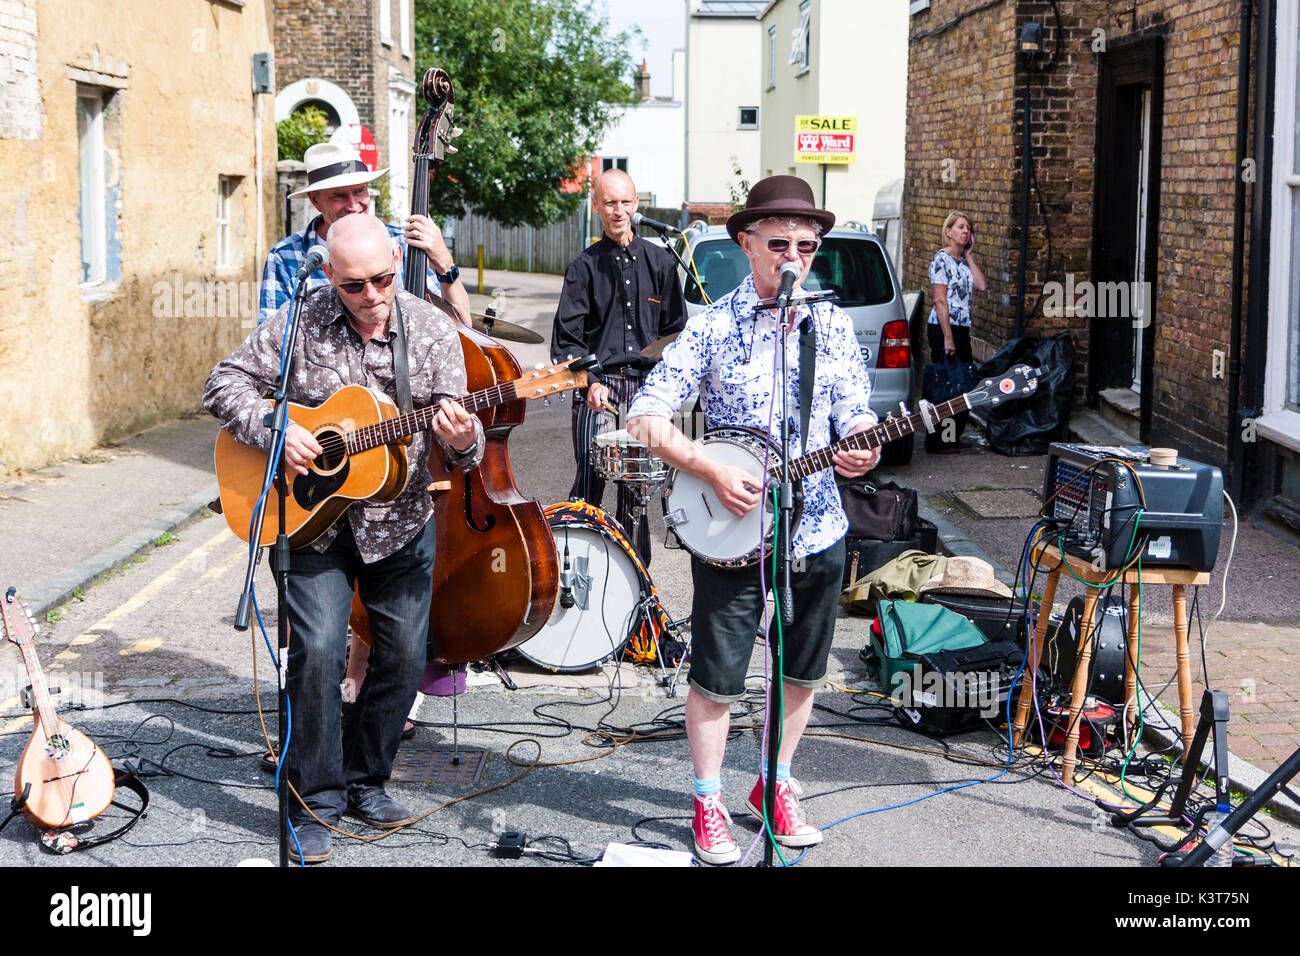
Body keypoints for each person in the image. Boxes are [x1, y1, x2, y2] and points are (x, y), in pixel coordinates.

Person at [203, 215, 484, 864]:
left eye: (383, 278)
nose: (372, 295)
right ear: (330, 275)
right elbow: (224, 383)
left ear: (395, 260)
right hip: (310, 525)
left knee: (403, 659)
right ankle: (315, 801)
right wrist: (274, 425)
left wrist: (464, 438)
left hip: (399, 523)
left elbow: (463, 454)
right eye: (354, 285)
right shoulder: (301, 319)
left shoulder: (434, 330)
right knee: (321, 655)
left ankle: (366, 778)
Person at [626, 175, 879, 864]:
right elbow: (644, 416)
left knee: (802, 669)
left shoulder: (830, 325)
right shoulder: (711, 325)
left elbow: (854, 408)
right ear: (746, 245)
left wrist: (862, 440)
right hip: (733, 534)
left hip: (818, 523)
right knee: (717, 674)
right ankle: (709, 797)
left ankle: (775, 783)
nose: (793, 258)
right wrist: (708, 468)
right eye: (778, 244)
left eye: (806, 245)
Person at [550, 169, 687, 564]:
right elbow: (566, 342)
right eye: (610, 202)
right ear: (596, 207)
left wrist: (665, 387)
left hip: (648, 391)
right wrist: (589, 382)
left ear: (636, 204)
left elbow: (677, 334)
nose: (618, 210)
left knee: (635, 491)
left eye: (625, 202)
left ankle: (636, 577)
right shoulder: (583, 268)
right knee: (590, 483)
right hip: (600, 388)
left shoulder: (661, 263)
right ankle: (576, 570)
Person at [259, 141, 471, 328]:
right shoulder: (286, 256)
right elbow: (273, 344)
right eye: (339, 196)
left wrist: (443, 259)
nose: (353, 205)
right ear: (315, 201)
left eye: (360, 191)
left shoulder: (402, 242)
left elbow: (461, 325)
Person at [925, 210, 987, 452]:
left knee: (963, 384)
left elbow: (980, 285)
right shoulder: (941, 259)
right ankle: (938, 441)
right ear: (948, 231)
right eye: (960, 227)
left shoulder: (962, 262)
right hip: (943, 328)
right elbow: (940, 301)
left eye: (968, 228)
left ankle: (952, 438)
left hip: (961, 328)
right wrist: (948, 338)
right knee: (946, 386)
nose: (965, 231)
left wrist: (969, 256)